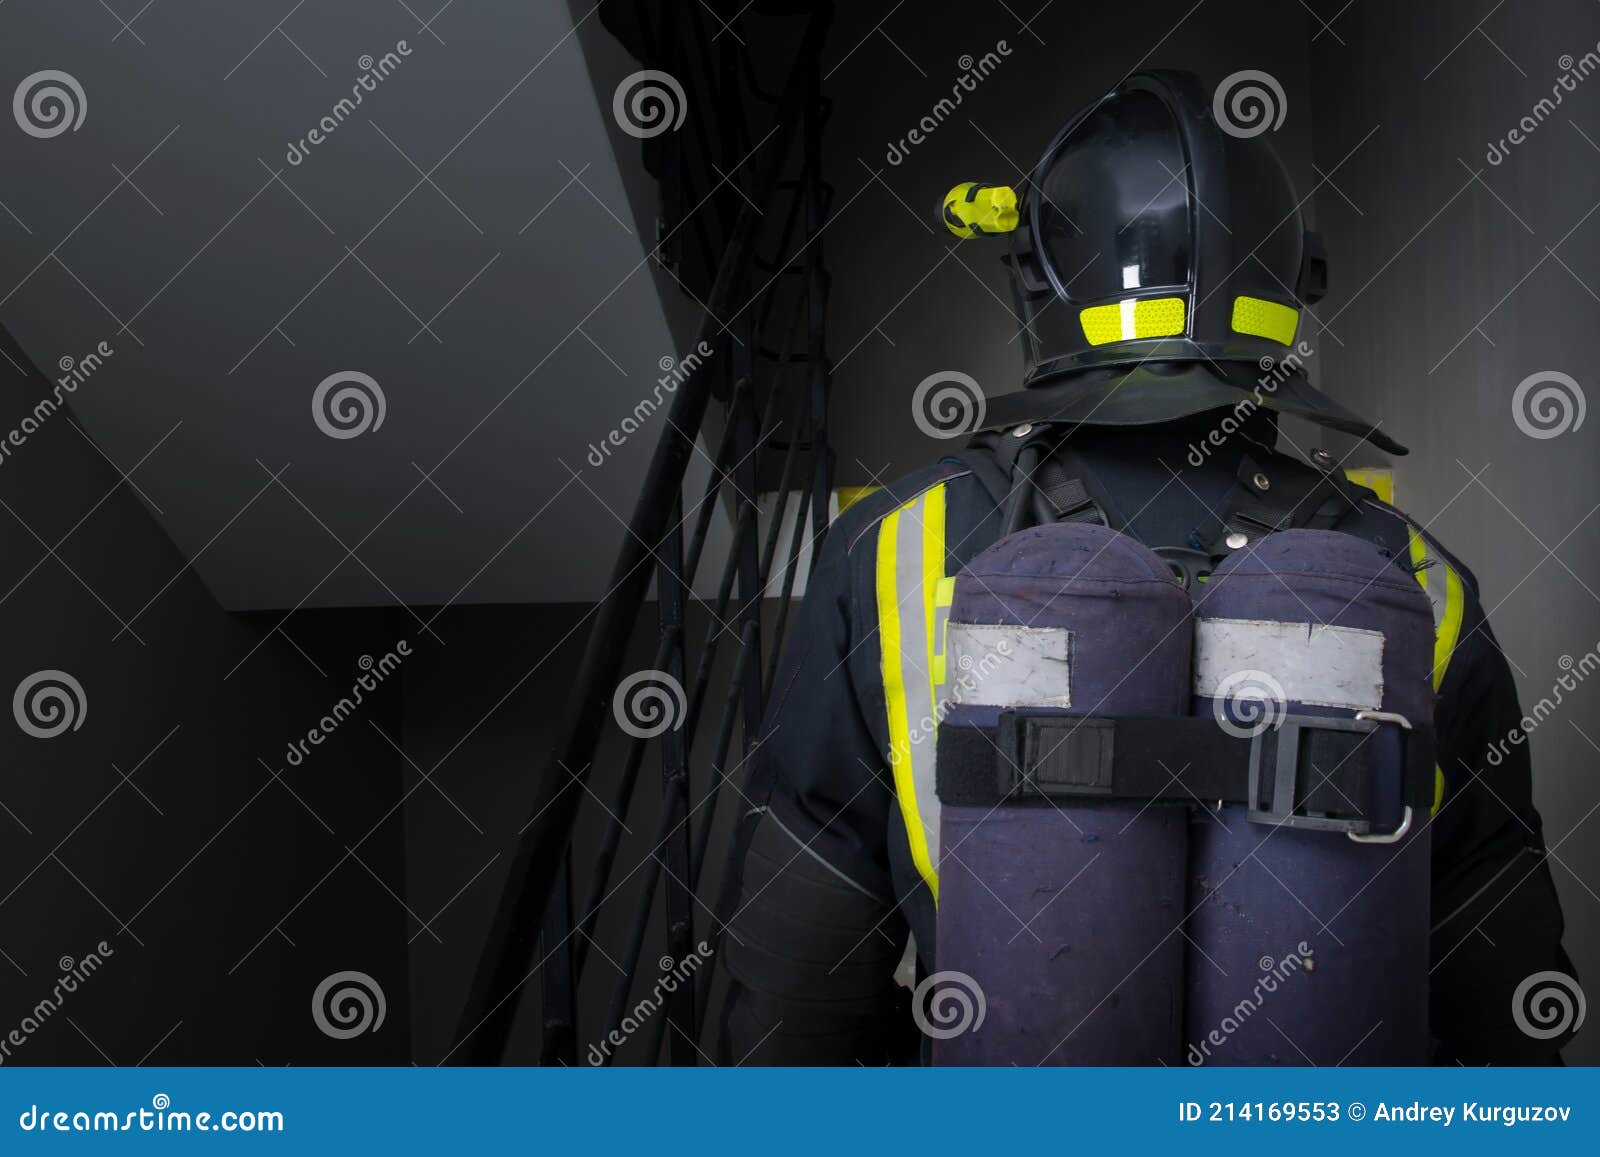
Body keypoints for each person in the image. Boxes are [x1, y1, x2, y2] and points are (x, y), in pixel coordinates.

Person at [718, 70, 1575, 1065]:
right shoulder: (1410, 578)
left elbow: (798, 985)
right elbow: (1499, 968)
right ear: (1287, 288)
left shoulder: (889, 552)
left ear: (1038, 277)